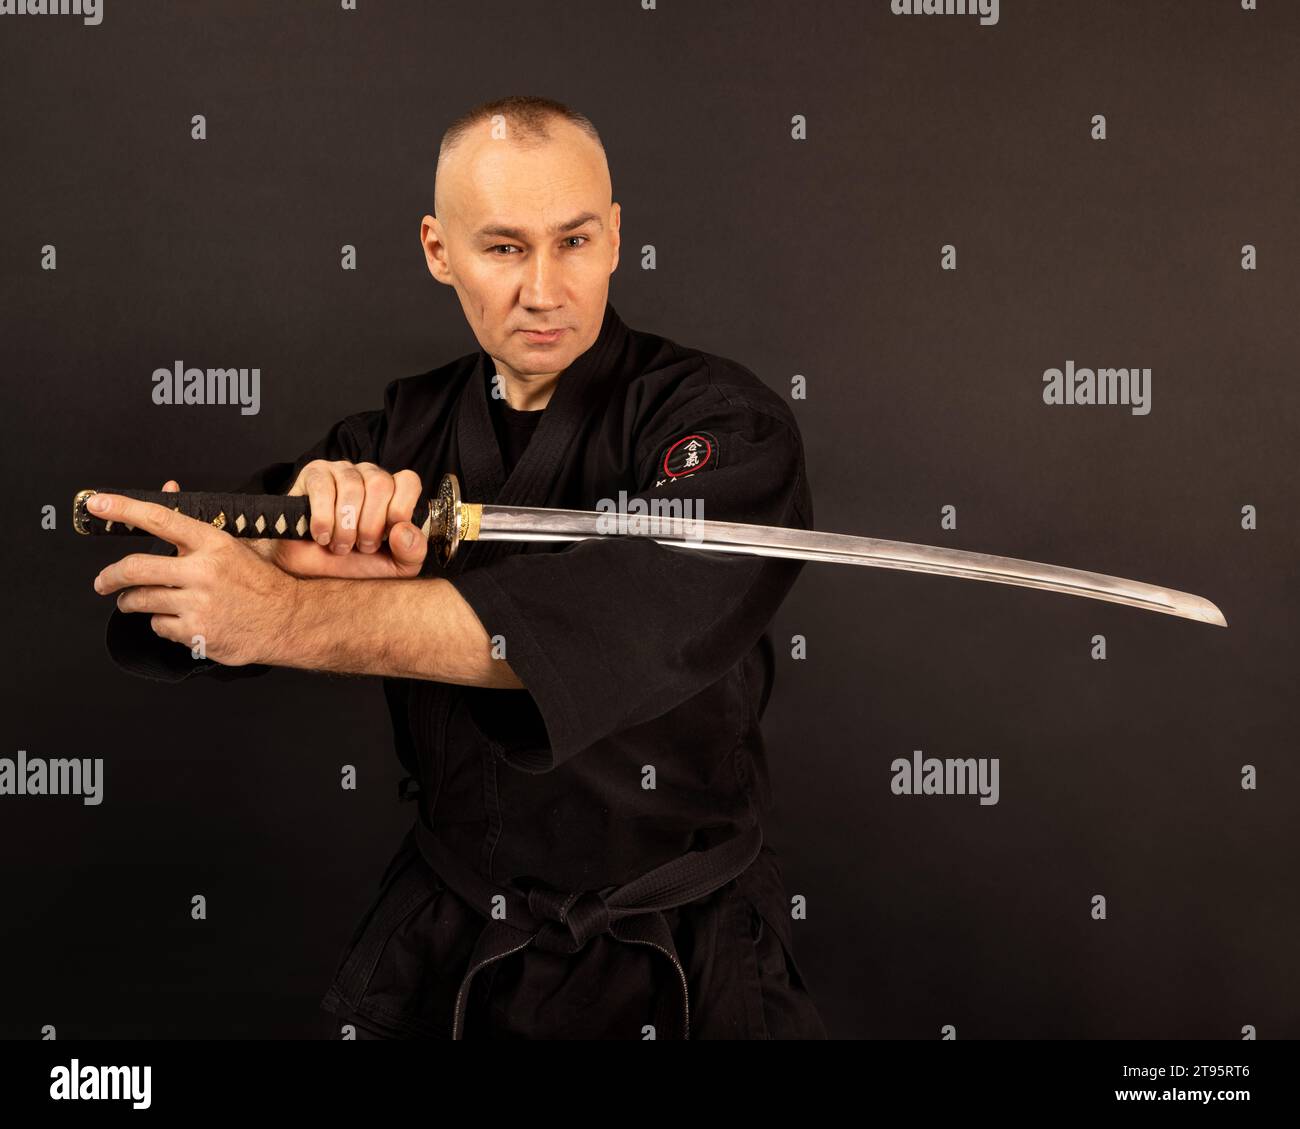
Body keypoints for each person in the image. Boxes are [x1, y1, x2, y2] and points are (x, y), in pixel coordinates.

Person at [93, 95, 827, 1040]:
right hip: (458, 935)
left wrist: (290, 616)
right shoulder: (396, 439)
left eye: (572, 242)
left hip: (689, 950)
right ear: (440, 251)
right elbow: (166, 602)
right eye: (505, 248)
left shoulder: (722, 427)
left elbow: (633, 617)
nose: (545, 289)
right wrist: (280, 553)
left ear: (614, 239)